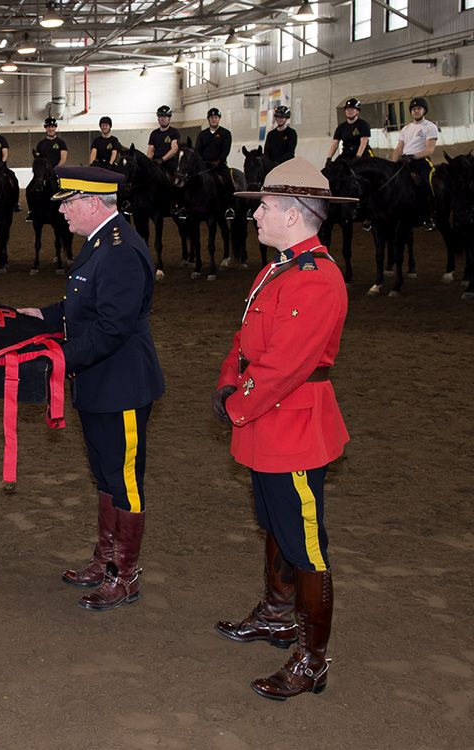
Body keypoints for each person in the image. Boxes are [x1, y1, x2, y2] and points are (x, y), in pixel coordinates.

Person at [215, 157, 356, 701]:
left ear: (295, 215)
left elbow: (286, 365)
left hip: (293, 425)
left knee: (306, 544)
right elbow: (246, 341)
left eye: (265, 208)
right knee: (273, 522)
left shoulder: (318, 280)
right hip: (267, 420)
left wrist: (237, 404)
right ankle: (277, 615)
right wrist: (229, 383)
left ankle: (312, 659)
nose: (256, 216)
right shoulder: (276, 268)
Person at [17, 167, 165, 611]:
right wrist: (40, 316)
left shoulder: (118, 250)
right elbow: (81, 305)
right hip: (100, 382)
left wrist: (59, 359)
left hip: (120, 383)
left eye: (68, 202)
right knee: (105, 474)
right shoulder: (102, 243)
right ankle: (105, 562)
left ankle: (126, 575)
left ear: (94, 203)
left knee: (125, 480)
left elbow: (111, 328)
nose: (61, 210)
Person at [391, 96, 438, 230]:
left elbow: (430, 149)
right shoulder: (406, 128)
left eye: (419, 108)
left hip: (421, 161)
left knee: (426, 183)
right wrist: (393, 164)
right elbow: (398, 148)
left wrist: (413, 156)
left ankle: (431, 216)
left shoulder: (430, 127)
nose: (416, 111)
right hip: (404, 161)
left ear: (424, 111)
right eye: (413, 109)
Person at [195, 107, 236, 220]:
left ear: (219, 119)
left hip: (219, 165)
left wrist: (218, 161)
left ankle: (230, 207)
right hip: (204, 165)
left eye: (216, 117)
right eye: (211, 117)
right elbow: (197, 150)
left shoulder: (225, 133)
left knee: (229, 179)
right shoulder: (202, 134)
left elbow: (225, 150)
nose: (213, 119)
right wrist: (201, 162)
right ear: (208, 119)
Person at [326, 98, 372, 163]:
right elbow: (335, 144)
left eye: (352, 109)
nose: (349, 111)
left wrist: (357, 157)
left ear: (357, 111)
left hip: (362, 154)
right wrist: (329, 158)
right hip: (346, 155)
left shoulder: (363, 125)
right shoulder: (341, 127)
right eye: (347, 109)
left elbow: (363, 143)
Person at [147, 105, 180, 174]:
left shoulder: (174, 132)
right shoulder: (154, 133)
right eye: (161, 116)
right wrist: (148, 161)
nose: (163, 119)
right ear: (158, 119)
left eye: (165, 117)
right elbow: (151, 149)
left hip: (169, 164)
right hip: (156, 163)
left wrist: (162, 159)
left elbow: (174, 149)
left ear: (169, 119)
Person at [264, 105, 297, 170]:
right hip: (271, 165)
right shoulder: (271, 134)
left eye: (282, 117)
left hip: (286, 165)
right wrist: (269, 163)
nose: (279, 119)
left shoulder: (291, 133)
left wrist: (278, 162)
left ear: (286, 118)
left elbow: (290, 152)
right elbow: (266, 151)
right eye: (278, 117)